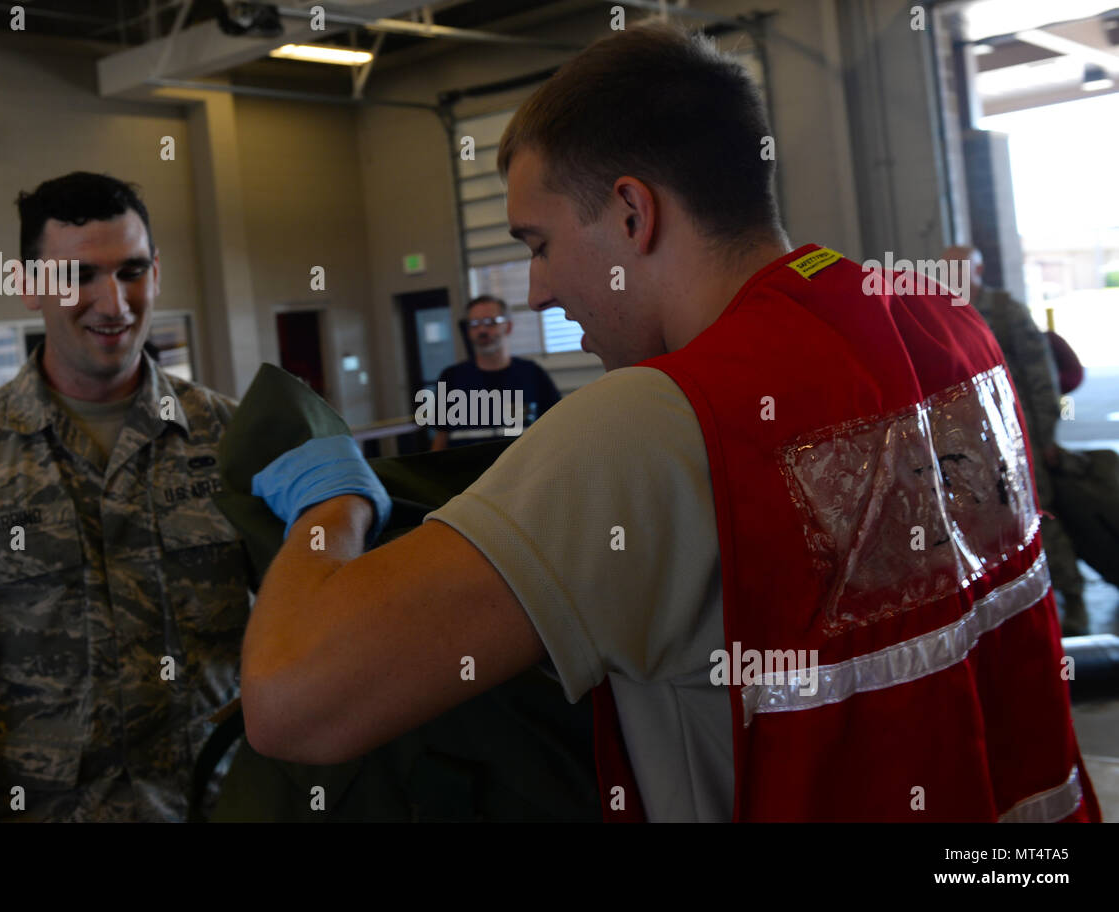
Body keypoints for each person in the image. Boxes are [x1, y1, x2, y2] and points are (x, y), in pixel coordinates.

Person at [238, 25, 1099, 822]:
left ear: (630, 213)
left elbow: (290, 702)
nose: (537, 291)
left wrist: (332, 505)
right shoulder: (947, 326)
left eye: (538, 244)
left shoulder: (655, 422)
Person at [0, 172, 254, 822]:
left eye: (131, 271)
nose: (113, 303)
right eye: (77, 278)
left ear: (156, 273)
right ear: (26, 287)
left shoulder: (235, 442)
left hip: (221, 804)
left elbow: (317, 627)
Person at [940, 245, 1088, 636]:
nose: (952, 274)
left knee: (1043, 520)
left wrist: (1047, 438)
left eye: (960, 267)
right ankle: (1023, 611)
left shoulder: (1006, 312)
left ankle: (1073, 600)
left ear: (979, 268)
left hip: (1022, 440)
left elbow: (1042, 379)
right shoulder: (944, 314)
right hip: (978, 444)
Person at [429, 295, 561, 450]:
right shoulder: (451, 377)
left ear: (508, 326)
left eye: (490, 322)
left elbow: (557, 428)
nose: (482, 330)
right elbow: (441, 436)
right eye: (474, 324)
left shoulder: (532, 374)